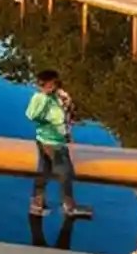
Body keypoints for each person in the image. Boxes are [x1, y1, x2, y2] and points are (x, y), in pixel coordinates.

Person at [26, 70, 89, 217]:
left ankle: (37, 203)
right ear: (46, 84)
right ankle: (69, 206)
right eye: (54, 82)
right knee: (65, 173)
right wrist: (46, 97)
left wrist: (65, 103)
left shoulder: (56, 96)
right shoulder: (41, 98)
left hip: (50, 139)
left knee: (44, 170)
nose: (57, 84)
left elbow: (66, 116)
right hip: (52, 142)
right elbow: (32, 115)